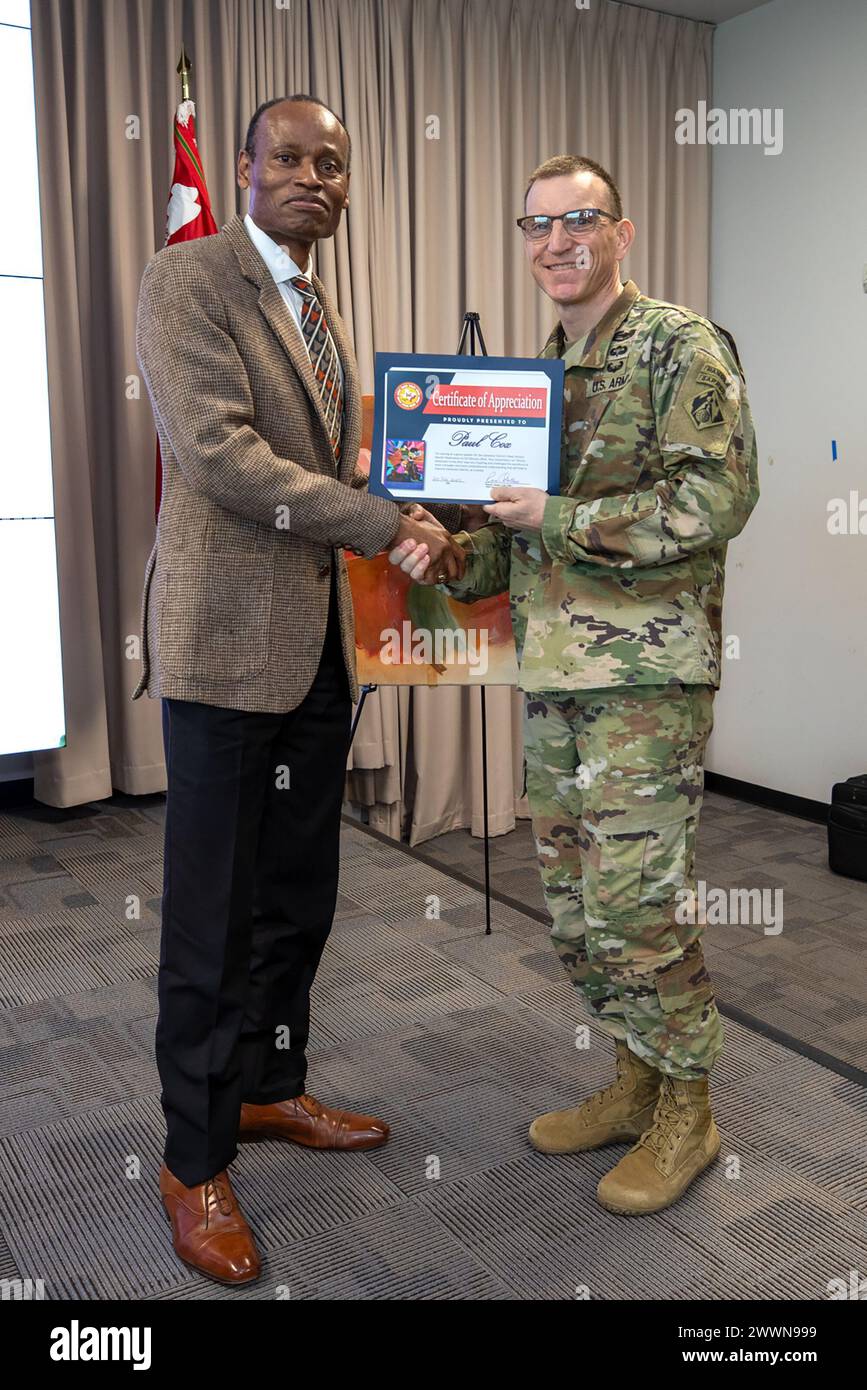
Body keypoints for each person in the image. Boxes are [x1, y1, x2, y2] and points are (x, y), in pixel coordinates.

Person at [134, 94, 463, 1284]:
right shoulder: (190, 279)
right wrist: (386, 518)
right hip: (226, 646)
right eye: (288, 157)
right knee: (211, 914)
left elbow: (315, 463)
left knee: (297, 893)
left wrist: (423, 475)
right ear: (244, 167)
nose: (313, 177)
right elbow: (227, 462)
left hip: (320, 648)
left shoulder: (315, 300)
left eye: (332, 162)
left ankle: (271, 1088)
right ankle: (191, 1155)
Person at [390, 154, 758, 1216]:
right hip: (557, 679)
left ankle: (689, 1105)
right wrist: (452, 556)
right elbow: (517, 550)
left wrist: (549, 516)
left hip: (646, 682)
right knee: (578, 907)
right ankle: (634, 1077)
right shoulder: (538, 375)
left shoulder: (677, 346)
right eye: (538, 224)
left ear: (622, 232)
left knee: (641, 899)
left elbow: (718, 499)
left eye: (579, 220)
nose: (557, 241)